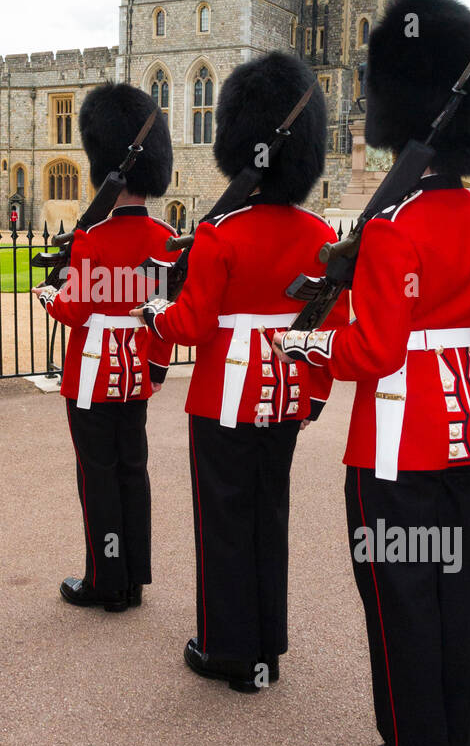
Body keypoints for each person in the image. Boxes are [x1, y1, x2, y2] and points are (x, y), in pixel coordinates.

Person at [275, 0, 470, 746]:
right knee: (449, 589)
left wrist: (309, 344)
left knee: (397, 601)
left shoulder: (393, 228)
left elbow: (375, 350)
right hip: (466, 445)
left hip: (395, 449)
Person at [133, 53, 347, 690]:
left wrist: (153, 317)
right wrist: (314, 394)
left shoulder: (221, 233)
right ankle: (265, 651)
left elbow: (193, 325)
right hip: (285, 392)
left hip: (225, 398)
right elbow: (327, 327)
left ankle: (227, 649)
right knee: (268, 517)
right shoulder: (318, 231)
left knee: (223, 522)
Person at [33, 82, 174, 613]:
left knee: (97, 476)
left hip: (92, 375)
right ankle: (133, 579)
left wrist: (47, 294)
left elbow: (75, 310)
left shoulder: (92, 239)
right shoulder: (164, 235)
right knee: (133, 471)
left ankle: (104, 580)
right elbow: (160, 314)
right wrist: (156, 370)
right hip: (136, 370)